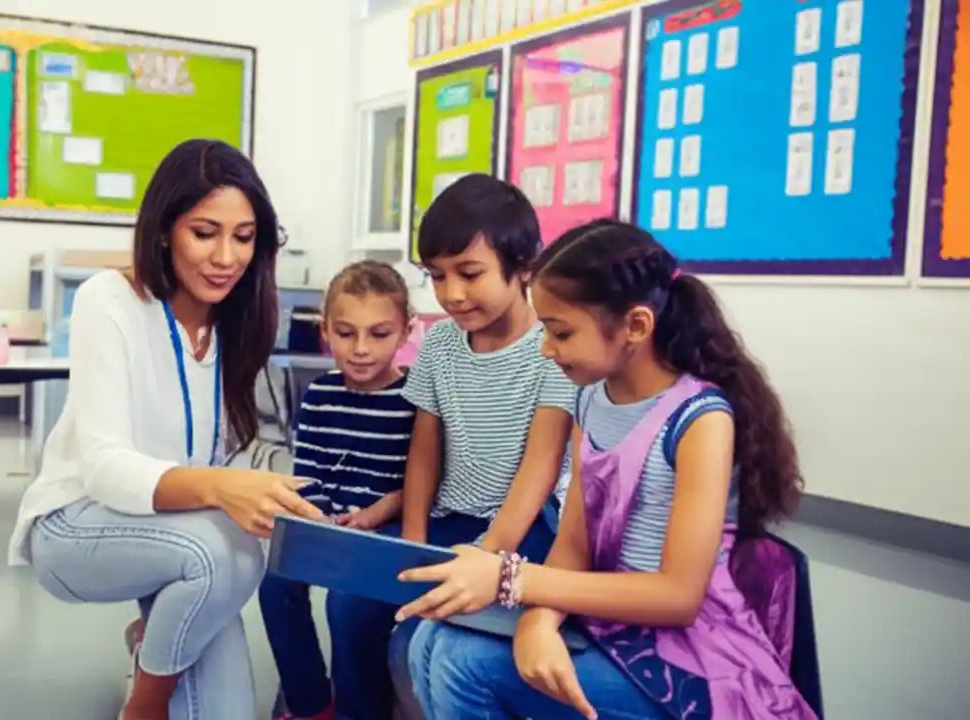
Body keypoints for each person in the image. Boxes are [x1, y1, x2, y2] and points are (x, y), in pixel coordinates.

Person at [399, 219, 815, 719]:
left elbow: (677, 596)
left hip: (689, 654)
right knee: (431, 638)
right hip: (608, 618)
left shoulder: (700, 420)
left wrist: (513, 580)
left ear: (636, 327)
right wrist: (537, 622)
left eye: (560, 332)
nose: (546, 348)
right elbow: (575, 542)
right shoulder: (591, 401)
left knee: (463, 664)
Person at [7, 139, 324, 720]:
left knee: (230, 696)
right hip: (76, 525)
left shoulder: (238, 321)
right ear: (164, 231)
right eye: (205, 232)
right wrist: (220, 490)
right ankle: (145, 702)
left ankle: (154, 636)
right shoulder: (111, 300)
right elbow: (104, 468)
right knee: (229, 555)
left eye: (244, 237)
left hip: (182, 543)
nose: (226, 256)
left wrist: (261, 495)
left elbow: (218, 451)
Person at [330, 174, 578, 719]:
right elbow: (423, 452)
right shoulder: (441, 343)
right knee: (349, 602)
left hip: (522, 532)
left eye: (469, 274)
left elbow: (539, 468)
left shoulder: (553, 347)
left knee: (425, 629)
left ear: (524, 267)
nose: (452, 294)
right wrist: (412, 539)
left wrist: (487, 556)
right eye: (437, 277)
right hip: (445, 520)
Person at [258, 260, 417, 720]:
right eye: (346, 334)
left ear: (406, 331)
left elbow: (420, 484)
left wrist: (376, 513)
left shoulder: (415, 401)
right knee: (276, 583)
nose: (361, 349)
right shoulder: (319, 395)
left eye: (379, 334)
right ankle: (310, 704)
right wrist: (323, 521)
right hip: (327, 525)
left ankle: (358, 709)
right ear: (326, 330)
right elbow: (308, 476)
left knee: (346, 601)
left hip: (383, 532)